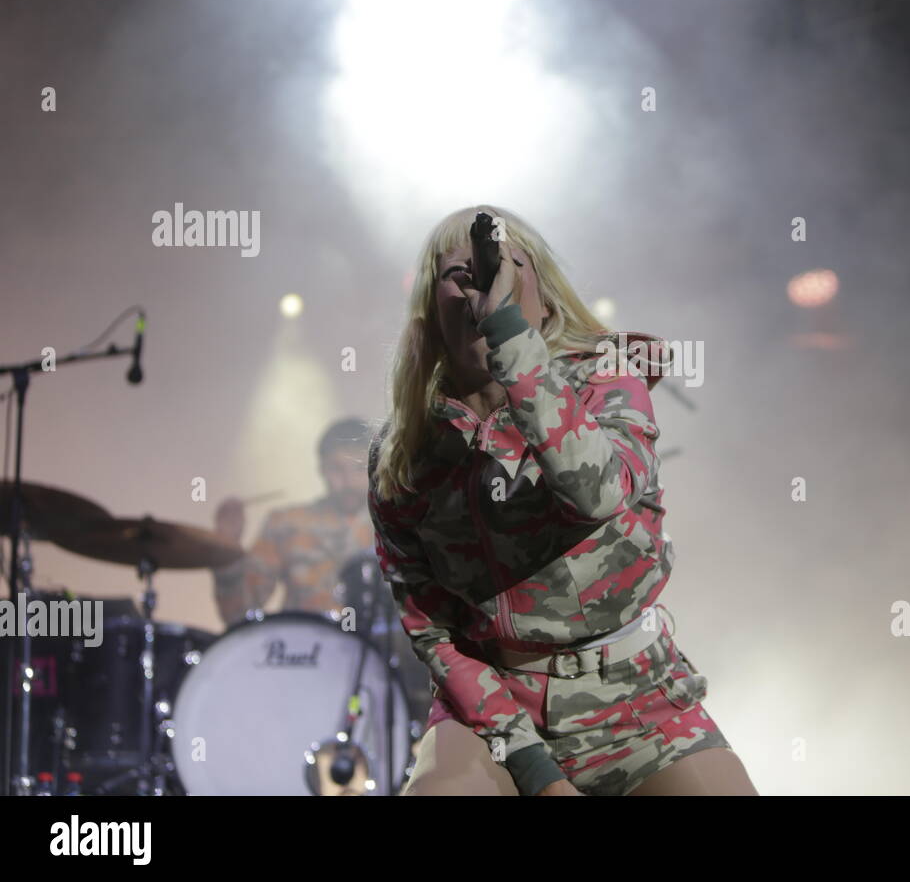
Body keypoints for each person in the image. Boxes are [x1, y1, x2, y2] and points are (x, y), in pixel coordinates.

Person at [368, 204, 758, 796]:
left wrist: (510, 340)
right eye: (460, 274)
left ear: (544, 301)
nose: (482, 282)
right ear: (430, 312)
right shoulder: (405, 453)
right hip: (497, 713)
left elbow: (597, 492)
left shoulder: (607, 383)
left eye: (503, 266)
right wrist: (536, 772)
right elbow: (432, 628)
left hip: (638, 701)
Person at [211, 418, 375, 628]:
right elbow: (237, 614)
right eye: (337, 469)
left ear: (375, 467)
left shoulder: (396, 528)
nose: (348, 480)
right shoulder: (287, 524)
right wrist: (227, 549)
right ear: (322, 469)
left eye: (359, 468)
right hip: (302, 651)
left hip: (380, 653)